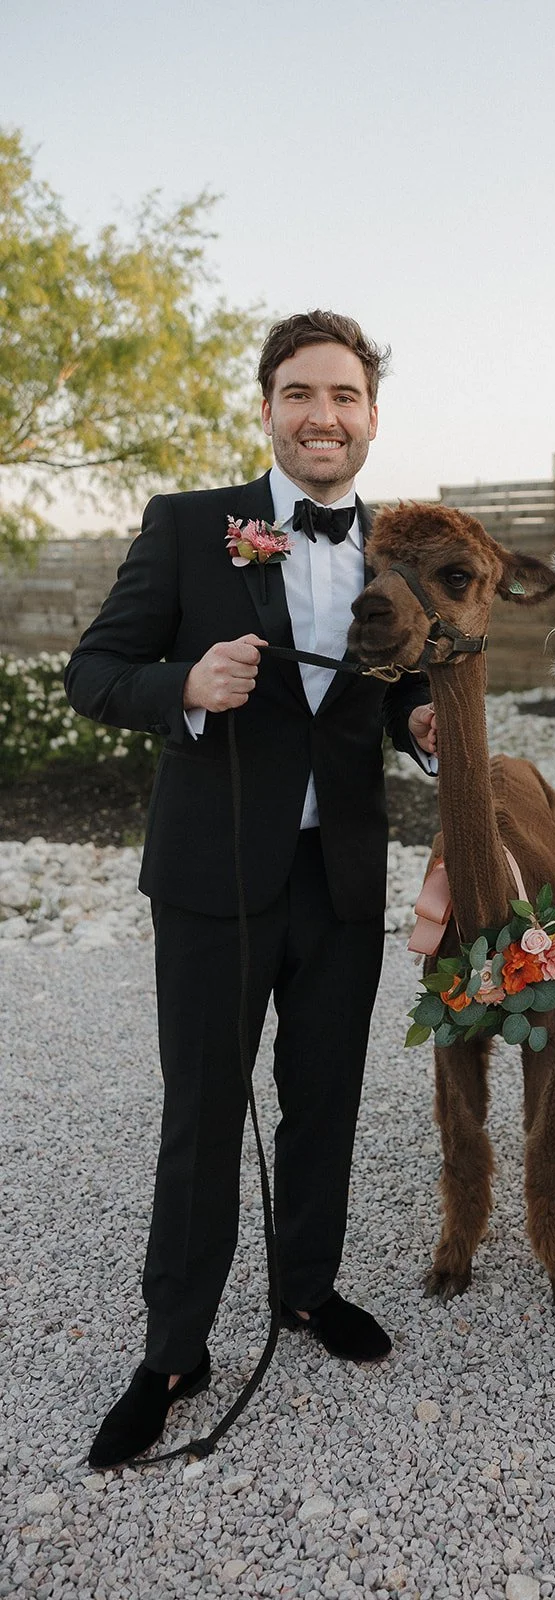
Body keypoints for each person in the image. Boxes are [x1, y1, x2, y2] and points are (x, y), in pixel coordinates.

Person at [66, 310, 437, 1468]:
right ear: (267, 405)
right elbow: (95, 671)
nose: (322, 415)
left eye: (343, 396)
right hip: (214, 876)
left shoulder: (402, 544)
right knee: (202, 1113)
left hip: (340, 880)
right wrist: (186, 681)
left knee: (324, 1098)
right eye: (298, 393)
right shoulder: (189, 527)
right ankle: (173, 1350)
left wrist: (421, 724)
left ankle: (306, 1290)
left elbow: (409, 690)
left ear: (371, 415)